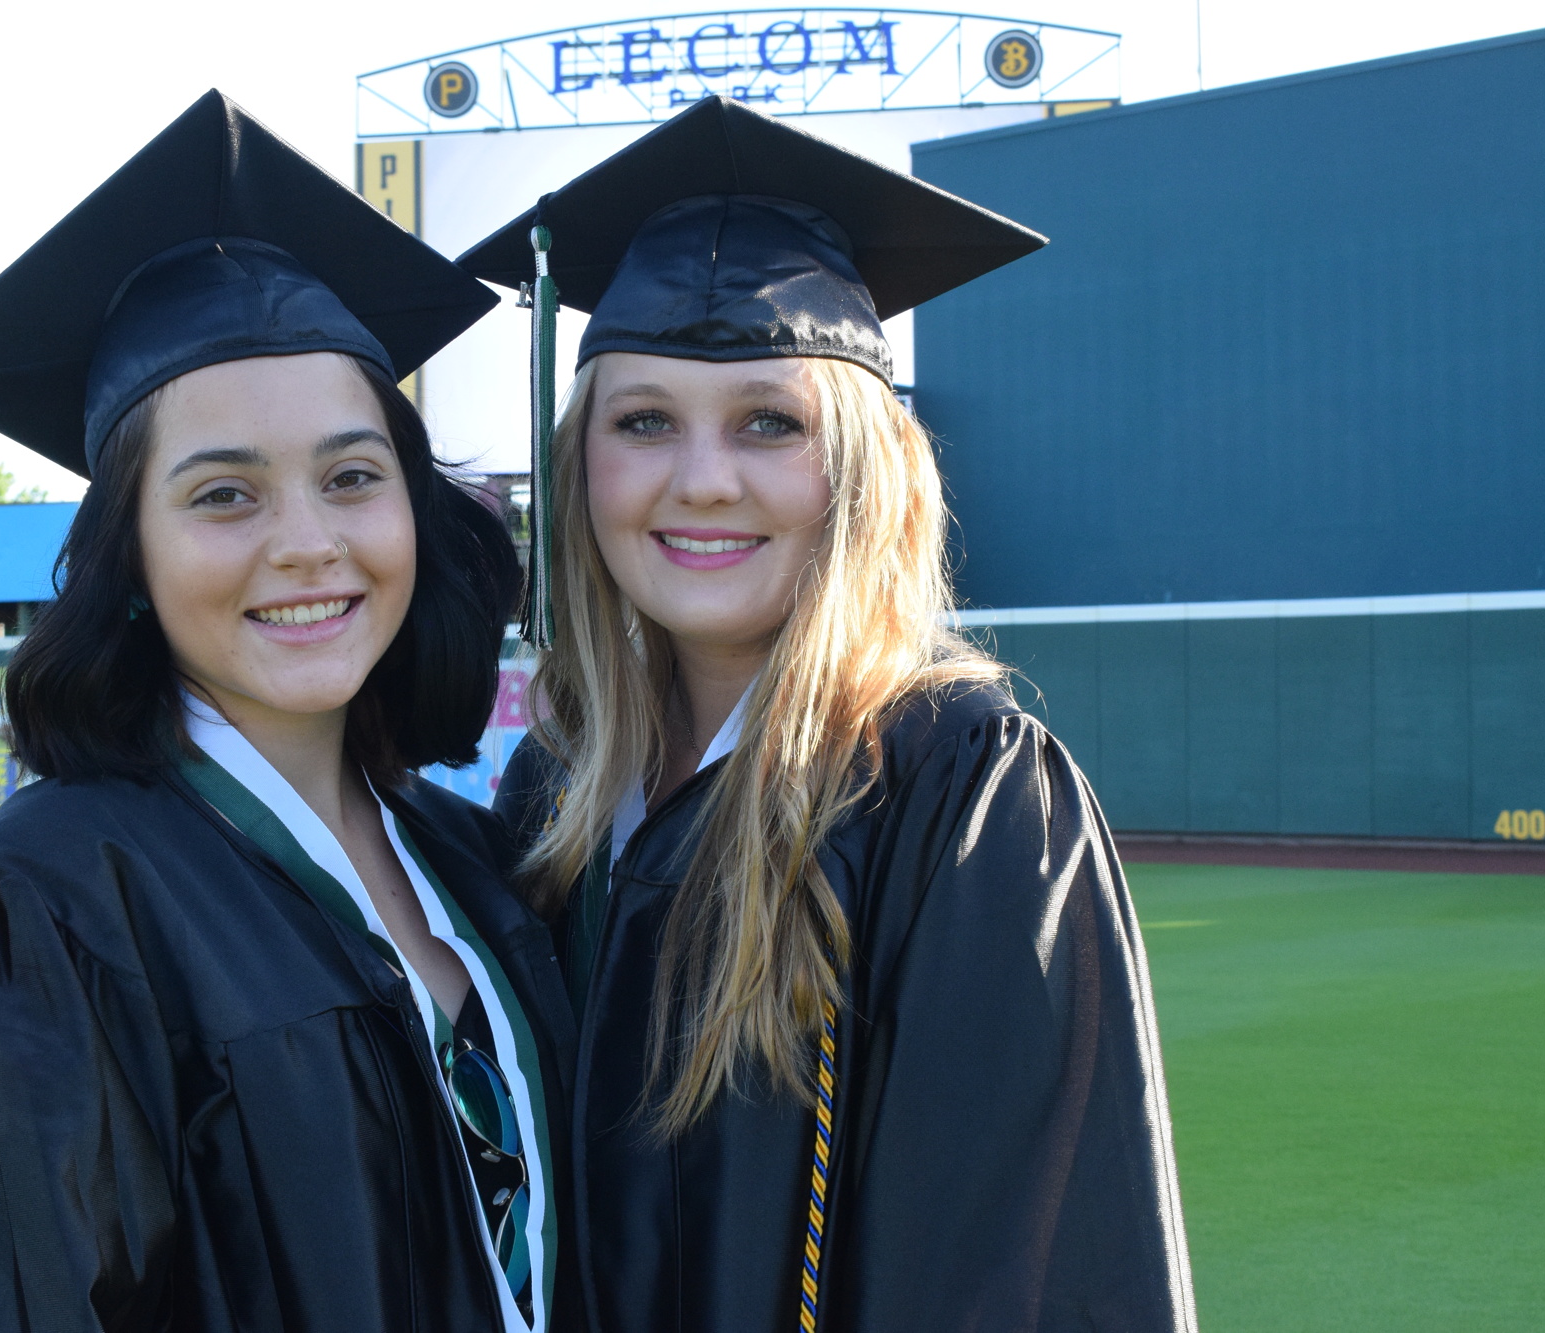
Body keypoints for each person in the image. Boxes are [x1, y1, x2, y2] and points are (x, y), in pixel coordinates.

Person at [0, 92, 578, 1333]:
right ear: (132, 555)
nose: (308, 544)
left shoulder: (473, 861)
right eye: (224, 495)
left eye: (351, 477)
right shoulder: (48, 909)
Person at [466, 97, 1196, 1333]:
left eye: (770, 422)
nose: (702, 477)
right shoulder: (553, 797)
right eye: (642, 420)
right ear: (577, 457)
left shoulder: (958, 794)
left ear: (858, 466)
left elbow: (1011, 1283)